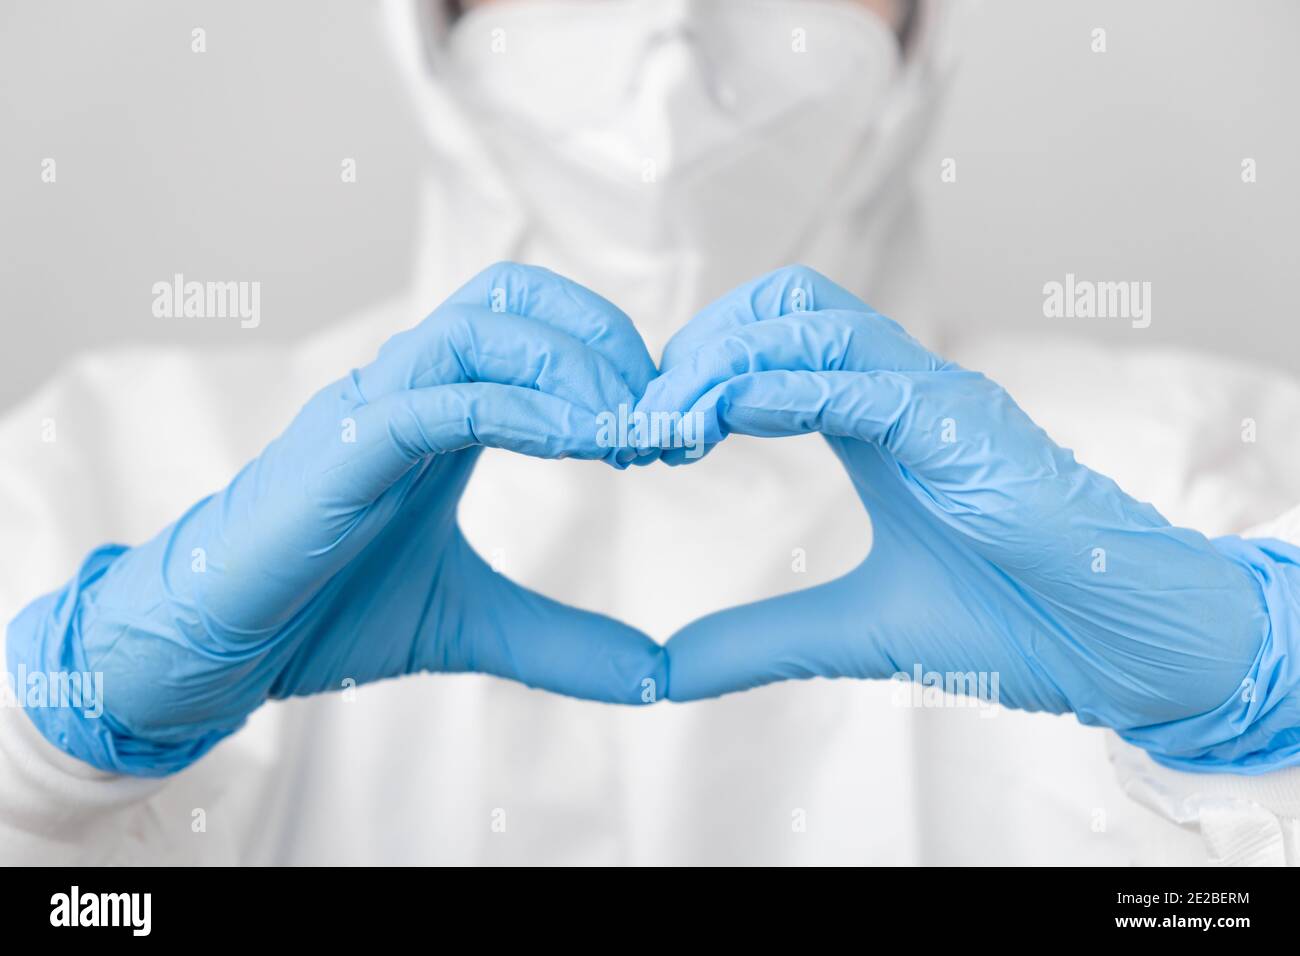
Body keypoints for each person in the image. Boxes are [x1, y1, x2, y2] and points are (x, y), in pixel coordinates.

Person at [2, 0, 1298, 865]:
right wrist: (45, 776)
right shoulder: (109, 463)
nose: (673, 40)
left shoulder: (1222, 470)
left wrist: (1257, 750)